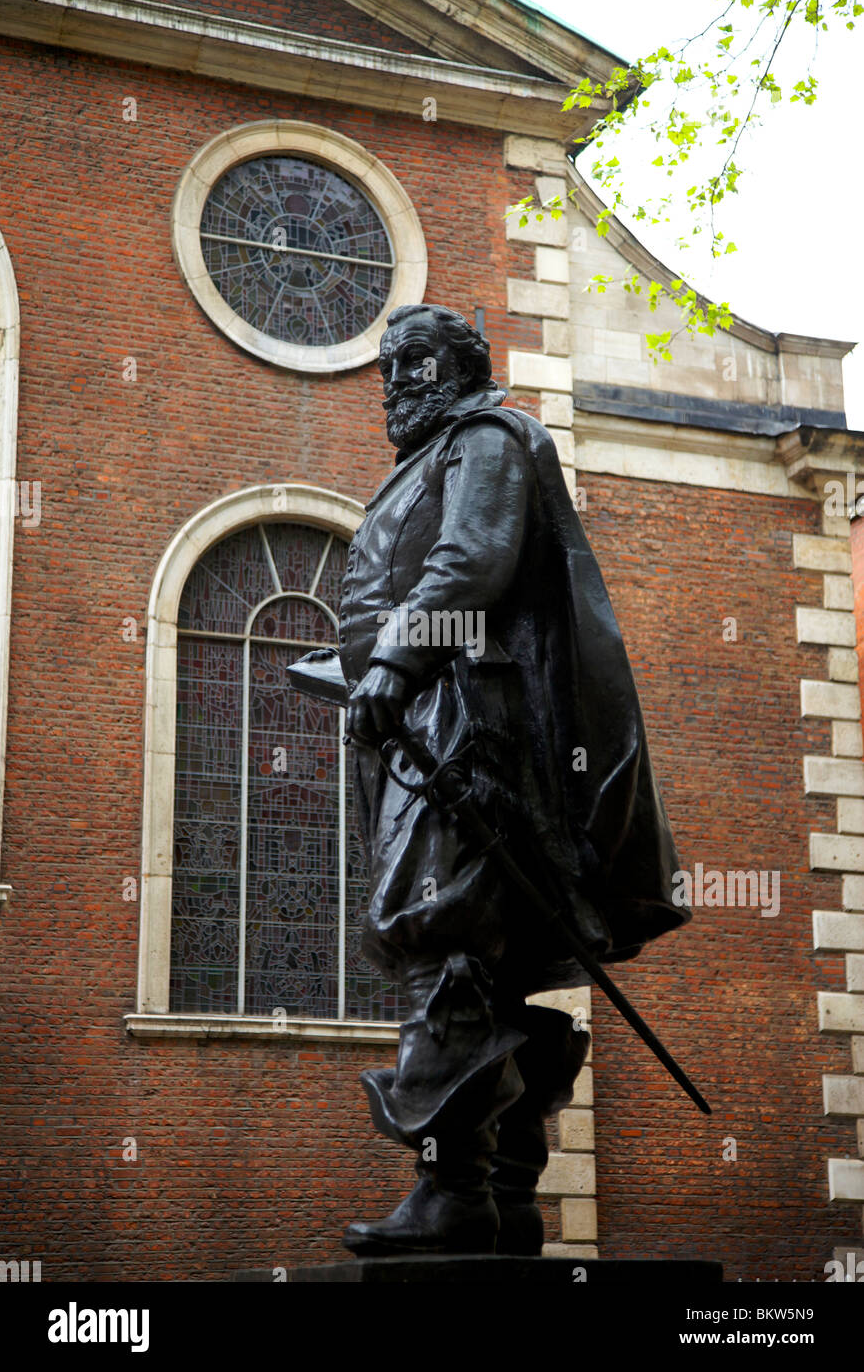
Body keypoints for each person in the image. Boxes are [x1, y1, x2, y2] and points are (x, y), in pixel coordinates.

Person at [337, 304, 688, 1257]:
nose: (398, 383)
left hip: (465, 732)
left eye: (417, 362)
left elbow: (472, 560)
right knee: (483, 956)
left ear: (462, 365)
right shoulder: (433, 453)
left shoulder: (486, 435)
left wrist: (393, 662)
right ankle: (504, 1198)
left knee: (441, 936)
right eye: (387, 369)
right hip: (429, 722)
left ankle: (456, 1193)